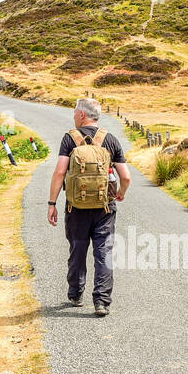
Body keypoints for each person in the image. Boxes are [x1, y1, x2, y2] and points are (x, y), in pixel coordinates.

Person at [47, 98, 131, 316]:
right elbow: (126, 177)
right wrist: (120, 193)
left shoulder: (70, 139)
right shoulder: (110, 139)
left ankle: (75, 294)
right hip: (105, 208)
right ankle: (101, 302)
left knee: (78, 249)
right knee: (103, 252)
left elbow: (59, 173)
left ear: (82, 115)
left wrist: (52, 203)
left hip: (76, 207)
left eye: (75, 112)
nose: (74, 115)